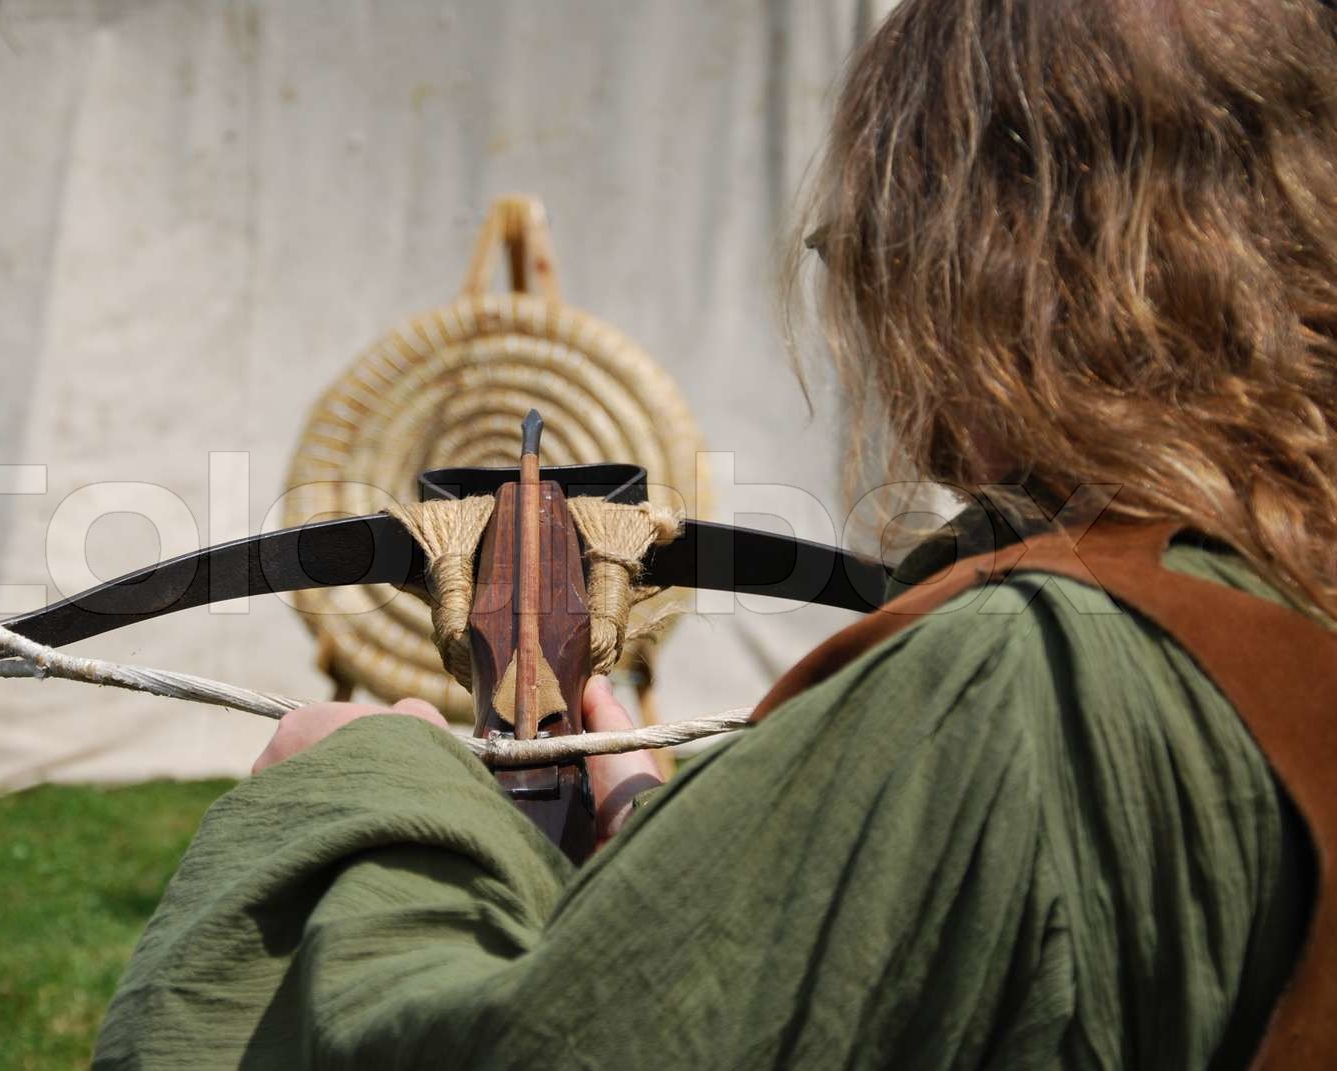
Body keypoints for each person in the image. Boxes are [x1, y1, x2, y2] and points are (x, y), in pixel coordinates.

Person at [93, 0, 1337, 1066]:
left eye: (877, 248)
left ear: (993, 252)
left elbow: (528, 1048)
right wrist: (688, 843)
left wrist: (358, 791)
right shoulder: (1279, 593)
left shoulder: (1025, 685)